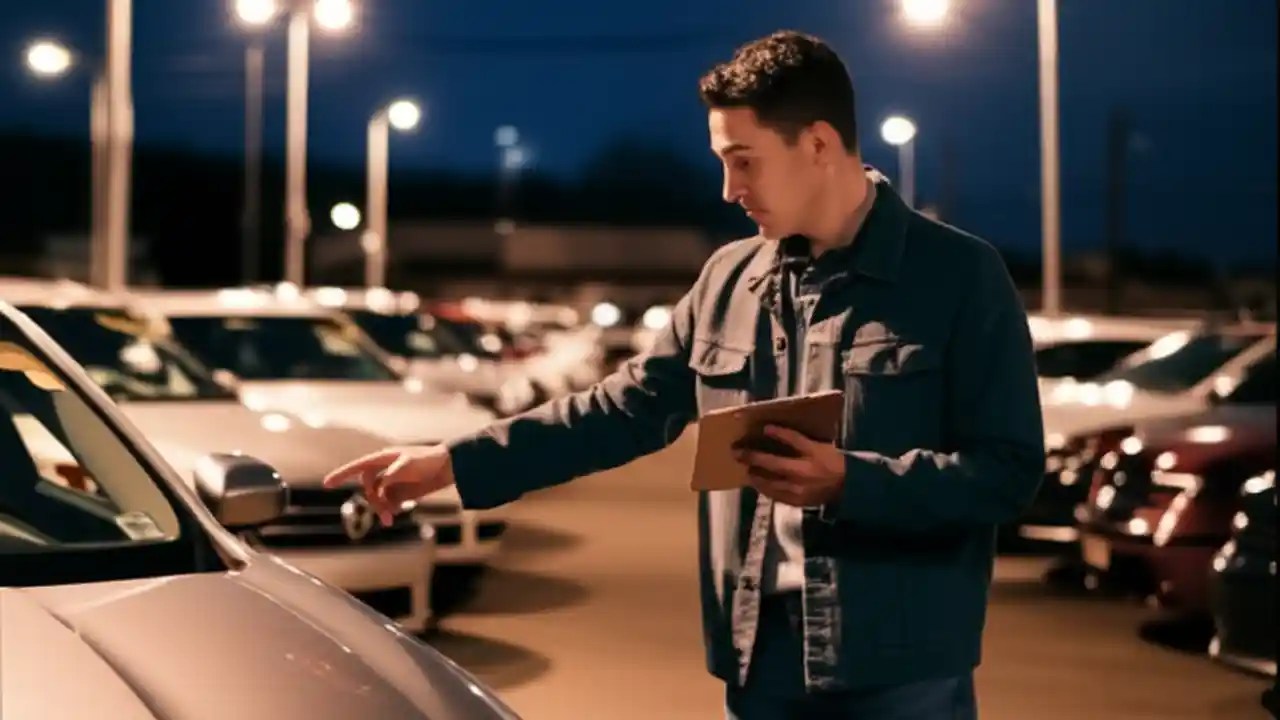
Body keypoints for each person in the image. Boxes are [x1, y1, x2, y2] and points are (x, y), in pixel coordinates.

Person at [325, 30, 1045, 720]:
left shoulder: (958, 276)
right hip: (757, 654)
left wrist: (853, 483)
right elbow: (621, 409)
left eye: (745, 160)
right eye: (721, 161)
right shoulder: (729, 278)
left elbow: (1008, 472)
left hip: (901, 666)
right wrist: (451, 463)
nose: (728, 188)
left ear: (820, 145)